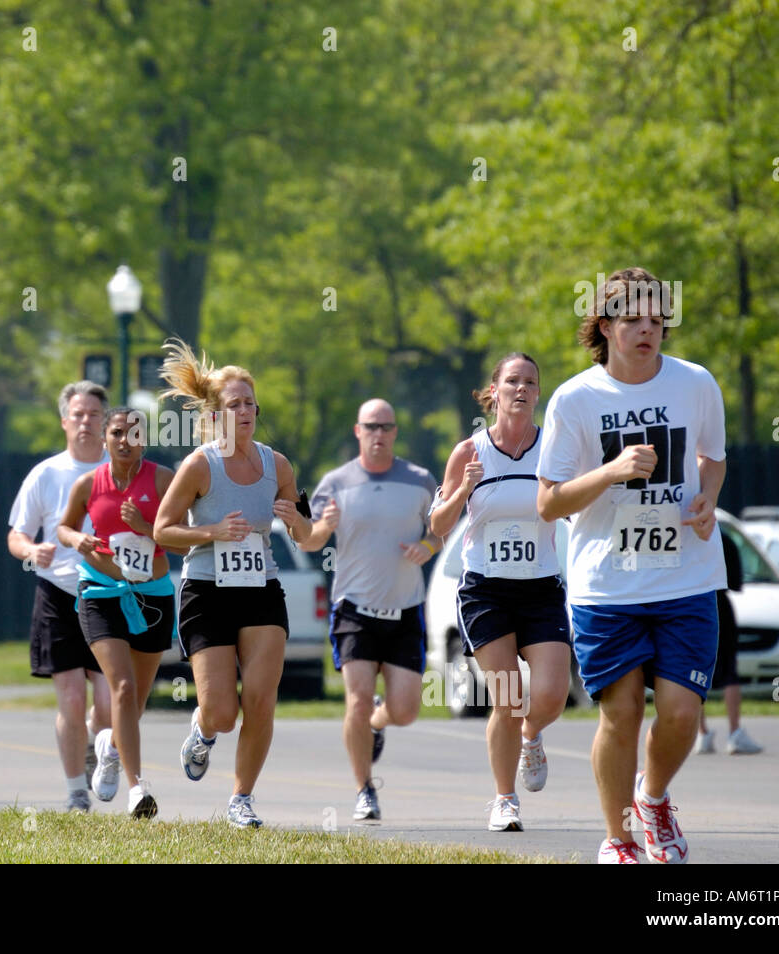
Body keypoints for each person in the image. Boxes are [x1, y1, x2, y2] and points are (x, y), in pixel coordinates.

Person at [537, 268, 726, 864]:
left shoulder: (695, 383)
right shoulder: (576, 398)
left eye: (655, 319)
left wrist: (707, 500)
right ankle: (619, 841)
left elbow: (712, 458)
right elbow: (549, 501)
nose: (647, 330)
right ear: (606, 326)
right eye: (632, 320)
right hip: (607, 584)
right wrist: (612, 471)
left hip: (686, 577)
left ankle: (654, 797)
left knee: (680, 712)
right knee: (620, 714)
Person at [153, 339, 312, 829]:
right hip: (207, 590)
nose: (244, 411)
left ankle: (241, 800)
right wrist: (212, 532)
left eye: (249, 403)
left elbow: (306, 535)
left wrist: (295, 519)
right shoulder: (200, 465)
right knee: (222, 711)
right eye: (233, 404)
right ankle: (202, 732)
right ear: (216, 415)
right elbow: (162, 528)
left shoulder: (277, 466)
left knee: (261, 699)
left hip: (261, 589)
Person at [428, 355, 571, 832]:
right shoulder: (469, 452)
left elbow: (571, 503)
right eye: (512, 381)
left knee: (552, 693)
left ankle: (532, 734)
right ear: (494, 391)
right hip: (486, 590)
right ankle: (504, 799)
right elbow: (438, 525)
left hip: (541, 587)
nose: (522, 388)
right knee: (507, 697)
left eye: (531, 382)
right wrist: (461, 490)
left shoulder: (553, 449)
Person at [300, 400, 440, 823]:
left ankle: (380, 722)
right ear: (357, 431)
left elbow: (441, 526)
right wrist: (322, 525)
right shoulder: (336, 483)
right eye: (371, 426)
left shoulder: (420, 481)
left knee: (406, 711)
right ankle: (364, 790)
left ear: (395, 432)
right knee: (356, 702)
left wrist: (428, 547)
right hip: (354, 610)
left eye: (386, 426)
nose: (379, 433)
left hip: (405, 610)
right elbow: (309, 539)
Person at [58, 408, 178, 819]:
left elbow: (183, 541)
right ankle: (137, 788)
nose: (125, 440)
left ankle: (110, 747)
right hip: (101, 593)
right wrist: (78, 540)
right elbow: (64, 526)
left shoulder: (163, 481)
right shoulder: (89, 483)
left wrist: (147, 527)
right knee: (122, 690)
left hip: (154, 598)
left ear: (145, 440)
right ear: (104, 439)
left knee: (136, 703)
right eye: (117, 433)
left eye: (134, 434)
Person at [7, 382, 112, 812]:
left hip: (110, 594)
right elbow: (16, 535)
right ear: (64, 421)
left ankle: (90, 739)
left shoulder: (120, 472)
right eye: (78, 414)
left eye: (93, 414)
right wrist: (32, 550)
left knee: (108, 703)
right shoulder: (46, 474)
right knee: (70, 697)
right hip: (58, 594)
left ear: (106, 422)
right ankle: (75, 794)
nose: (85, 421)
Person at [695, 531, 762, 755]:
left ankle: (701, 733)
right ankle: (734, 732)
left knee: (693, 673)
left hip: (689, 607)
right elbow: (735, 582)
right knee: (730, 671)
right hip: (719, 606)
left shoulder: (681, 537)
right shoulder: (724, 540)